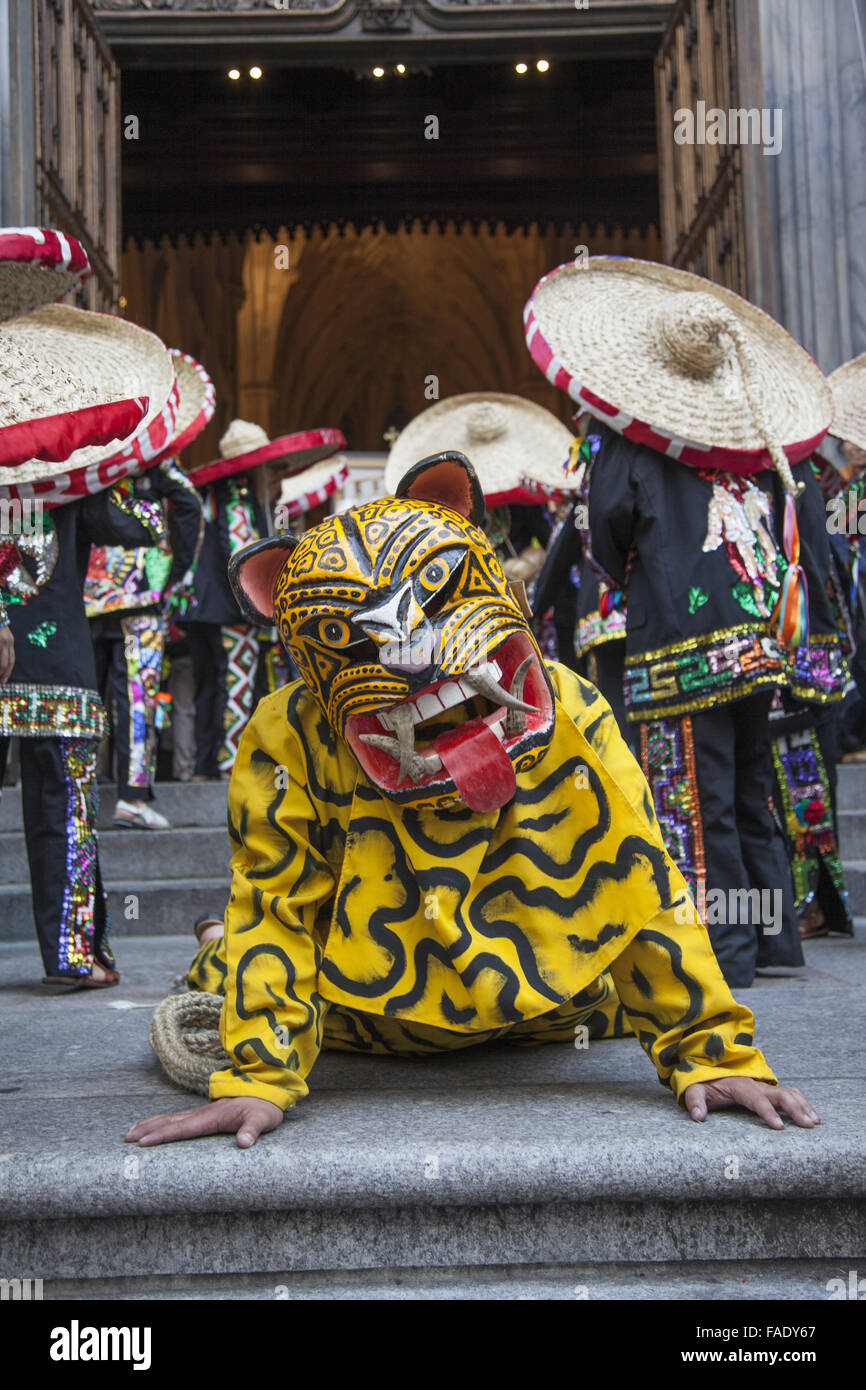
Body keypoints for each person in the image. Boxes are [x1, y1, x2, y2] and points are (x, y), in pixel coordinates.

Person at [127, 452, 818, 1149]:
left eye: (438, 587)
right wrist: (259, 1075)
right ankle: (217, 946)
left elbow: (636, 885)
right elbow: (276, 908)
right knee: (237, 962)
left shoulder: (571, 706)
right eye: (346, 634)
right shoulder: (288, 734)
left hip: (554, 1002)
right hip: (363, 1013)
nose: (410, 652)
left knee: (606, 982)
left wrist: (708, 1051)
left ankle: (218, 944)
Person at [522, 256, 841, 989]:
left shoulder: (631, 448)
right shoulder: (760, 444)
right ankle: (768, 937)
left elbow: (605, 531)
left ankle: (724, 949)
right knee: (750, 783)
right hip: (764, 642)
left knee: (694, 793)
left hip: (682, 643)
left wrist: (639, 573)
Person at [86, 456, 203, 828]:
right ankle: (131, 799)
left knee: (84, 694)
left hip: (86, 592)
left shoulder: (87, 448)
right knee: (137, 695)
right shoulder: (151, 447)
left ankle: (75, 794)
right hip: (141, 593)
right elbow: (188, 503)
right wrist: (176, 570)